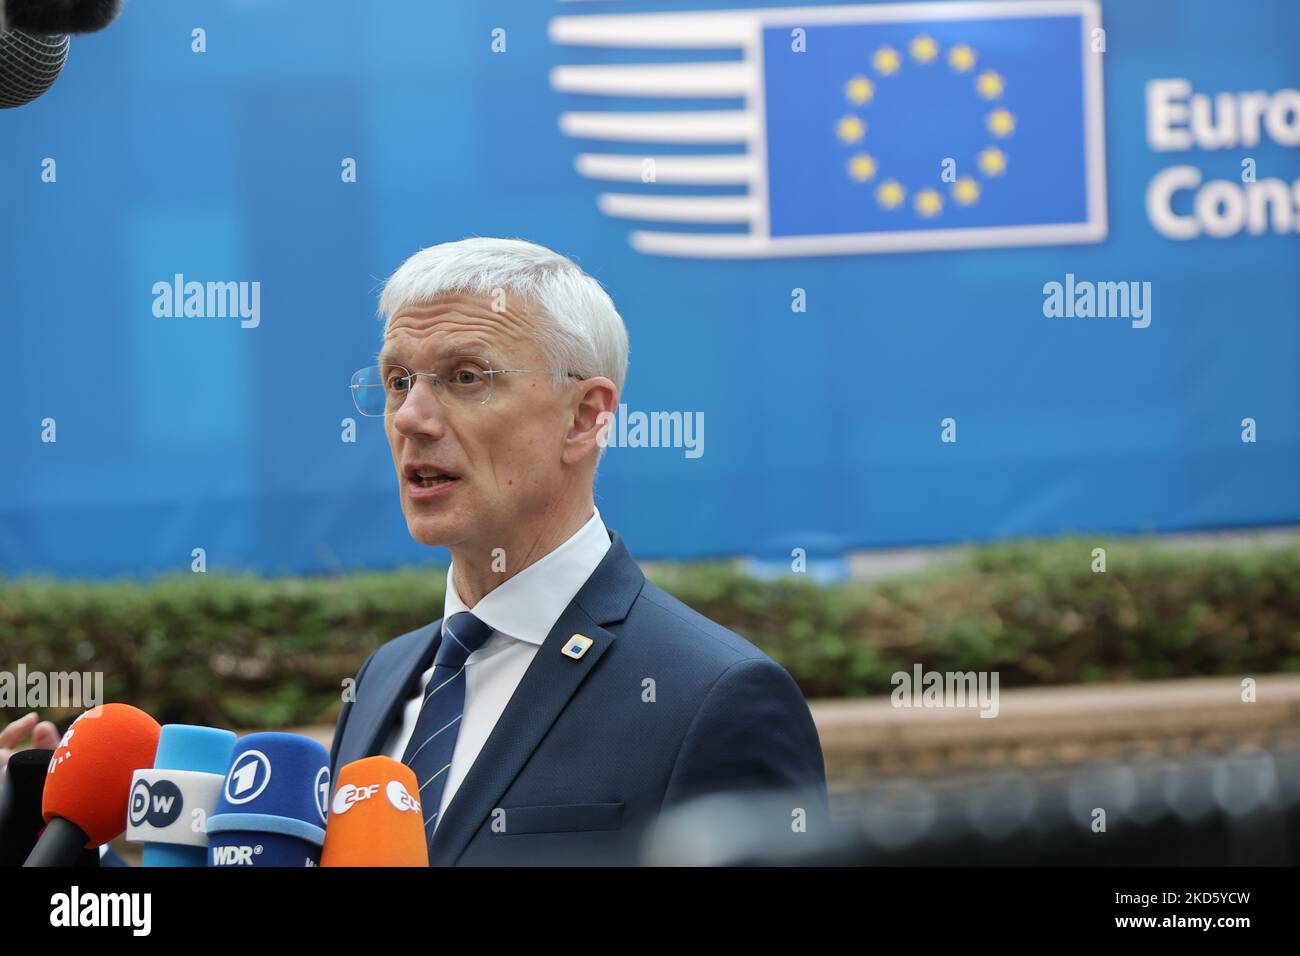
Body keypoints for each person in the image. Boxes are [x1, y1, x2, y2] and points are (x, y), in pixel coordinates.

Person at [332, 237, 826, 865]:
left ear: (585, 417)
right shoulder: (383, 678)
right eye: (398, 381)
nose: (410, 418)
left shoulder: (716, 696)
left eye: (464, 377)